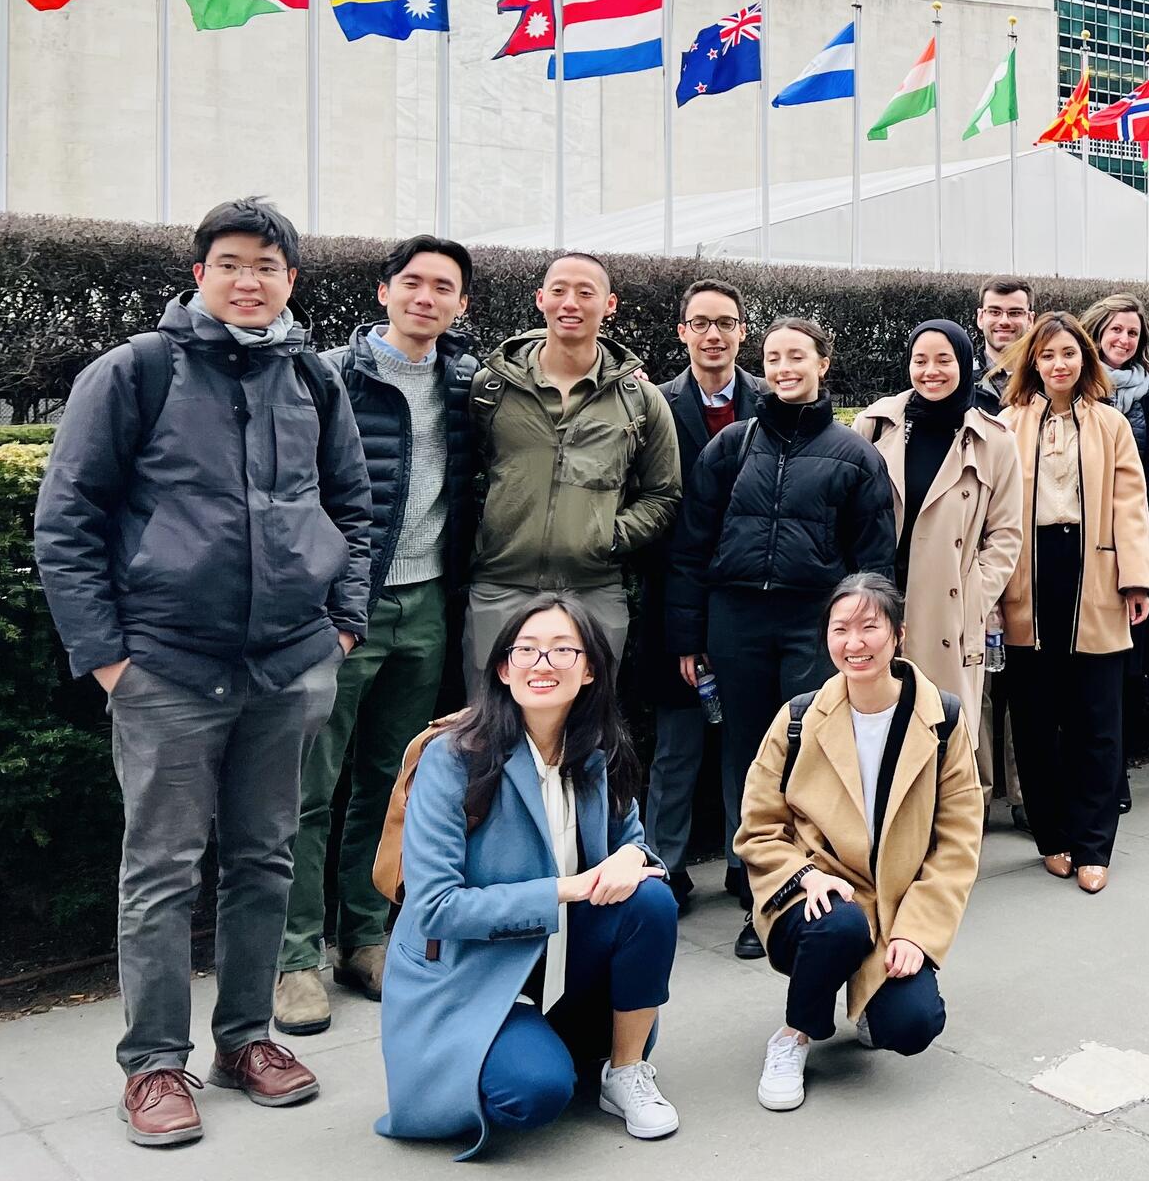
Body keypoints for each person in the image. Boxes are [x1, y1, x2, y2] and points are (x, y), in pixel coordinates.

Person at [35, 197, 367, 1146]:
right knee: (163, 870)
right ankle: (152, 1066)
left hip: (289, 666)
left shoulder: (313, 380)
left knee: (264, 860)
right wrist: (106, 660)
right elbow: (68, 522)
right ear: (200, 273)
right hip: (168, 673)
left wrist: (341, 628)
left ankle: (246, 1039)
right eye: (231, 262)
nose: (249, 280)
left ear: (291, 279)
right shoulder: (136, 371)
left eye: (268, 264)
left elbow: (353, 506)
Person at [377, 595, 680, 1155]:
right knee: (534, 1092)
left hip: (565, 957)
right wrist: (567, 888)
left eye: (564, 650)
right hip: (473, 973)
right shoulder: (453, 757)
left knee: (652, 901)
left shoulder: (599, 750)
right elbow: (436, 907)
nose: (543, 663)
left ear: (589, 670)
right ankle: (521, 1049)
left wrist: (634, 859)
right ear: (502, 667)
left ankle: (626, 1072)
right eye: (527, 650)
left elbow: (633, 846)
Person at [276, 235, 477, 1037]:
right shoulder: (330, 374)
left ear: (461, 304)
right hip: (341, 614)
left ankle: (363, 936)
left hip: (427, 606)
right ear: (385, 290)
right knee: (308, 789)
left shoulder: (465, 384)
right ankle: (294, 955)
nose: (426, 298)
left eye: (444, 287)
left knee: (390, 786)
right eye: (413, 283)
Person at [671, 316, 897, 955]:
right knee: (744, 753)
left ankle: (797, 891)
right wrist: (689, 633)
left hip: (813, 626)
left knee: (810, 754)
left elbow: (874, 562)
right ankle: (752, 881)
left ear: (823, 362)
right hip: (736, 619)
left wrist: (864, 638)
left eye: (797, 356)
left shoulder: (856, 456)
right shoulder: (733, 446)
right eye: (773, 358)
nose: (783, 368)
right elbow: (691, 546)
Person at [735, 573, 984, 1110]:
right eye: (840, 628)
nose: (854, 643)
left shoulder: (942, 721)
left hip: (895, 908)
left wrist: (917, 933)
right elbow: (758, 826)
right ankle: (794, 1034)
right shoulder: (799, 718)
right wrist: (805, 875)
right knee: (840, 923)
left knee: (914, 1024)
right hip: (814, 901)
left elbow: (958, 841)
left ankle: (871, 999)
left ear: (898, 634)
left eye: (869, 627)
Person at [463, 252, 680, 698]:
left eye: (586, 293)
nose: (571, 303)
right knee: (489, 725)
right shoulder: (491, 388)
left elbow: (663, 494)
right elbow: (463, 475)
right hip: (500, 587)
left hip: (593, 589)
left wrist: (607, 535)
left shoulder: (641, 399)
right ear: (541, 299)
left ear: (610, 304)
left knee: (587, 728)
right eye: (559, 290)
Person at [994, 314, 1149, 888]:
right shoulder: (1006, 423)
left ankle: (1094, 844)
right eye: (1047, 355)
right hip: (1026, 576)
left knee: (1097, 719)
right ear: (1031, 363)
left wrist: (1136, 579)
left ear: (1085, 359)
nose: (1059, 364)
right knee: (1035, 720)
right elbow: (992, 510)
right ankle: (1052, 834)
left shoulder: (1111, 423)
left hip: (1096, 572)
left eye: (1068, 353)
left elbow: (1132, 504)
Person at [855, 320, 1025, 777]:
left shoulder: (995, 439)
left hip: (947, 608)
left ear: (964, 364)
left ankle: (945, 840)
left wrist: (972, 593)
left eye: (943, 360)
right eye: (920, 360)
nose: (931, 371)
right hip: (879, 602)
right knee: (877, 732)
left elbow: (1006, 535)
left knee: (943, 737)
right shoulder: (875, 424)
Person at [642, 279, 762, 913]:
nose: (714, 335)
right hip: (679, 593)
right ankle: (665, 868)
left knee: (747, 742)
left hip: (751, 600)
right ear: (683, 331)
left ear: (743, 331)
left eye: (727, 323)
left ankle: (749, 865)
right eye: (700, 323)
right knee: (677, 745)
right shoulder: (654, 404)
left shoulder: (770, 401)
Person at [1082, 293, 1149, 814]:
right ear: (1096, 330)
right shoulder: (1071, 383)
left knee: (1127, 666)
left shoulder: (1147, 394)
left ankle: (1115, 772)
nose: (1123, 340)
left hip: (1129, 543)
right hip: (1077, 546)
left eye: (1133, 334)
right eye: (1115, 330)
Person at [973, 276, 1033, 409]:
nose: (1004, 321)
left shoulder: (1046, 379)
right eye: (994, 312)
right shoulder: (962, 381)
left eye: (1015, 312)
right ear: (981, 317)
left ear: (1030, 320)